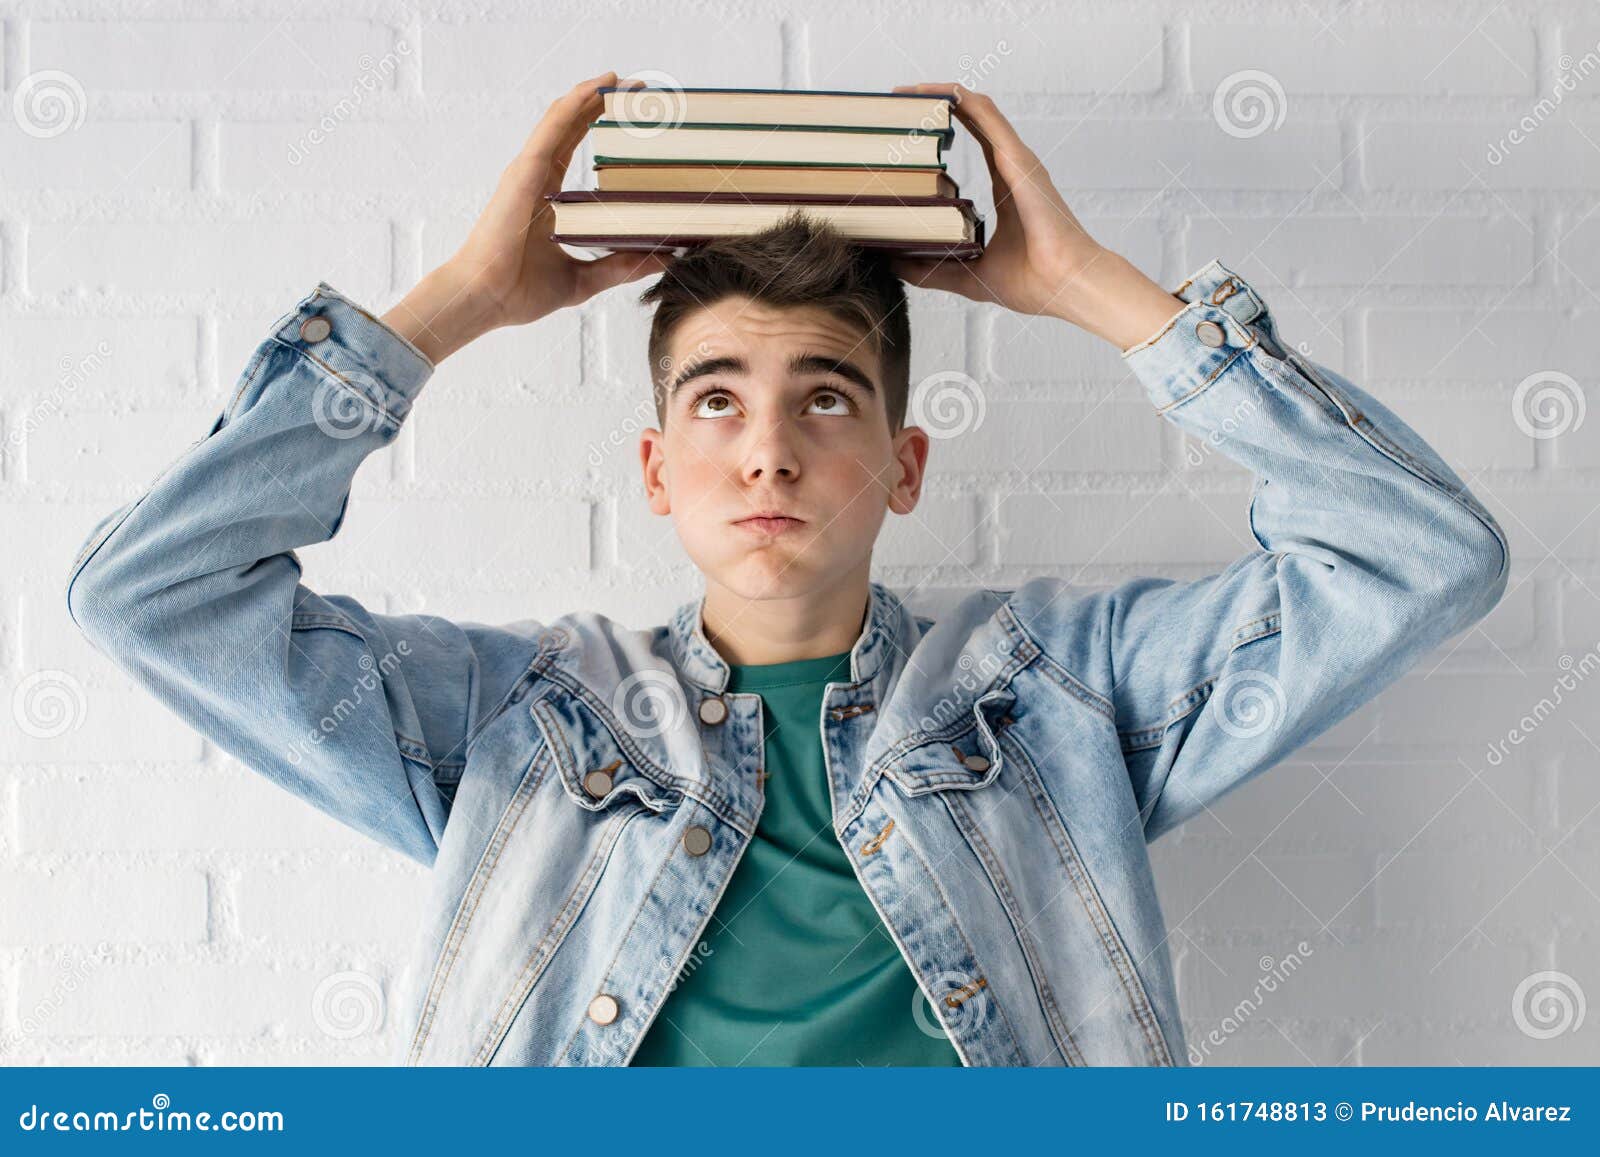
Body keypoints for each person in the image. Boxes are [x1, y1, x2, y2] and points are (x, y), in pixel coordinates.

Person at [64, 71, 1508, 1066]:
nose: (767, 452)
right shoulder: (517, 720)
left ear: (904, 464)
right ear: (654, 469)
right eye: (715, 402)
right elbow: (153, 595)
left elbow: (1420, 555)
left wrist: (1086, 287)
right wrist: (454, 304)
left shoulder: (1059, 696)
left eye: (825, 396)